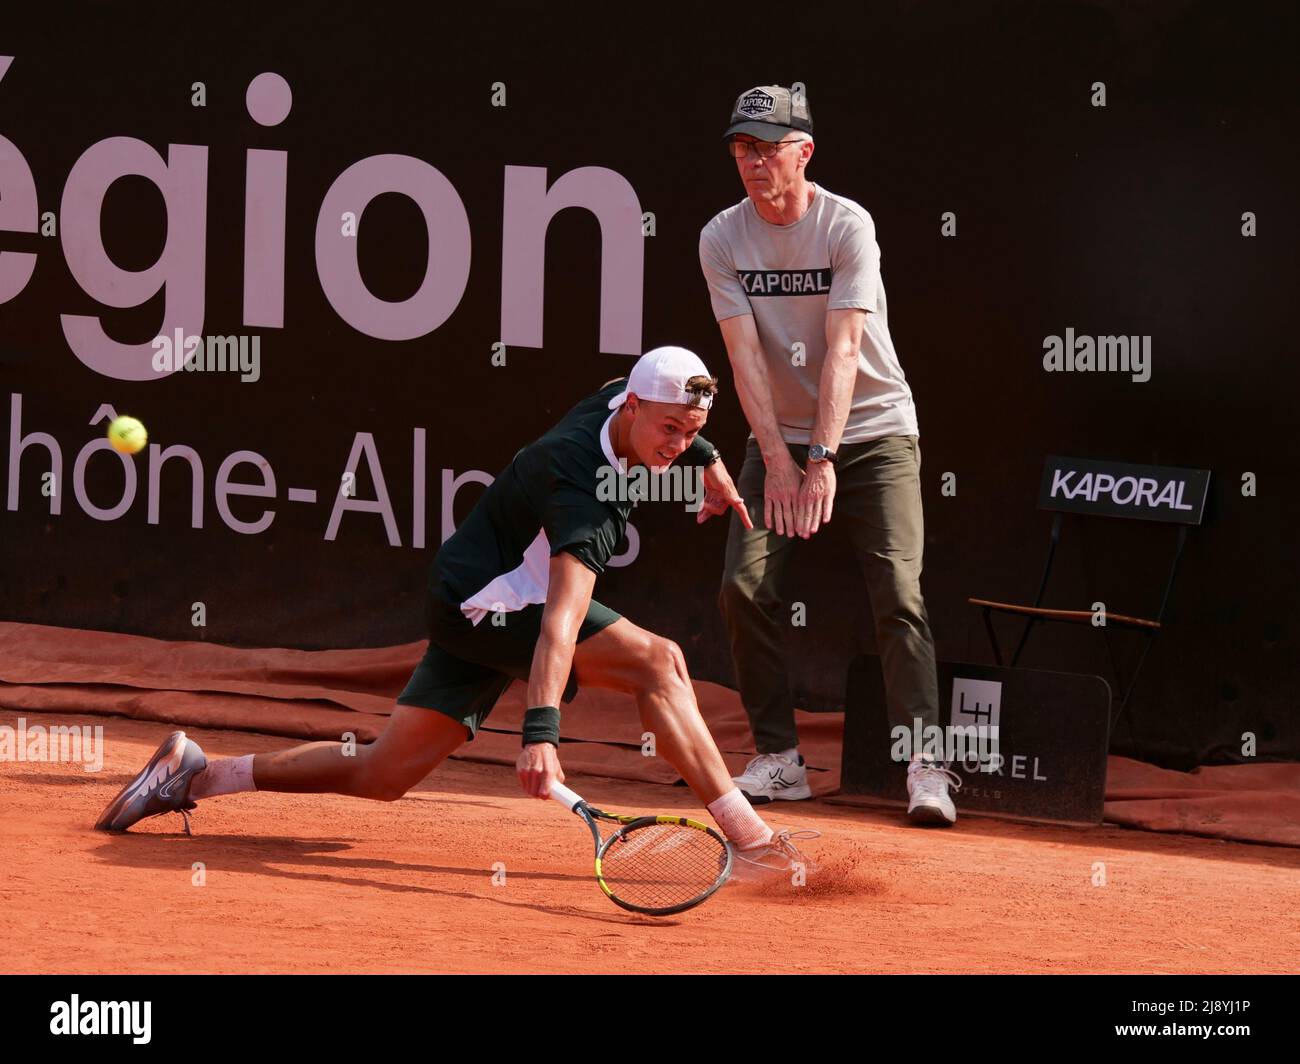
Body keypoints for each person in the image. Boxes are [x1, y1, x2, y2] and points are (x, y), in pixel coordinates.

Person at [95, 347, 819, 875]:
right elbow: (561, 624)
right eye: (670, 430)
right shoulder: (583, 489)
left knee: (381, 773)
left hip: (467, 596)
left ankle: (197, 775)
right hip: (489, 609)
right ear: (631, 408)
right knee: (660, 662)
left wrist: (711, 462)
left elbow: (677, 415)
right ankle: (751, 840)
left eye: (689, 432)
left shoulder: (618, 398)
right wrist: (541, 734)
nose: (678, 444)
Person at [699, 85, 959, 824]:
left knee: (898, 595)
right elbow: (743, 359)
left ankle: (925, 765)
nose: (750, 162)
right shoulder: (721, 237)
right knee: (743, 586)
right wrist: (779, 459)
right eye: (741, 149)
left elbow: (844, 349)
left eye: (766, 147)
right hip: (776, 438)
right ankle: (779, 761)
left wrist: (822, 459)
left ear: (803, 152)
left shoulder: (848, 226)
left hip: (874, 432)